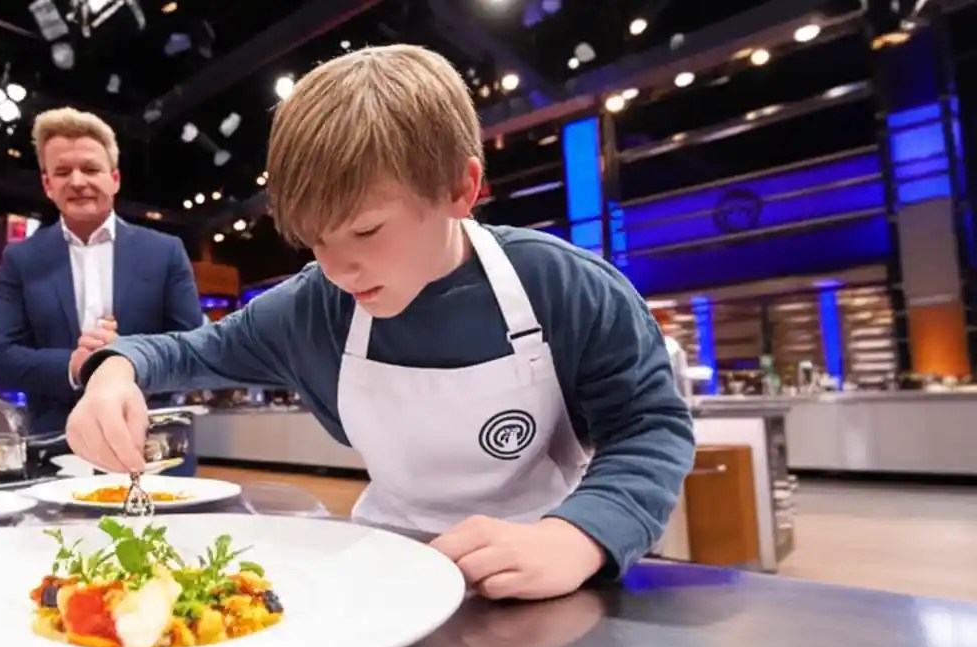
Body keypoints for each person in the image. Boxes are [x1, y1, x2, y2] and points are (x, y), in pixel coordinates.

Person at [67, 45, 694, 600]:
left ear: (460, 188)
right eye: (316, 240)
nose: (339, 267)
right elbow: (181, 351)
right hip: (386, 574)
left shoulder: (563, 285)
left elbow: (648, 428)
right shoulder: (313, 307)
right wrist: (114, 371)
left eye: (366, 229)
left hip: (545, 573)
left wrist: (578, 538)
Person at [0, 107, 203, 435]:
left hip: (152, 443)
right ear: (47, 184)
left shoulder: (165, 252)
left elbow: (192, 350)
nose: (77, 181)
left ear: (114, 179)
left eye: (90, 168)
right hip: (56, 445)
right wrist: (74, 365)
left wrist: (125, 359)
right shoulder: (20, 259)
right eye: (62, 172)